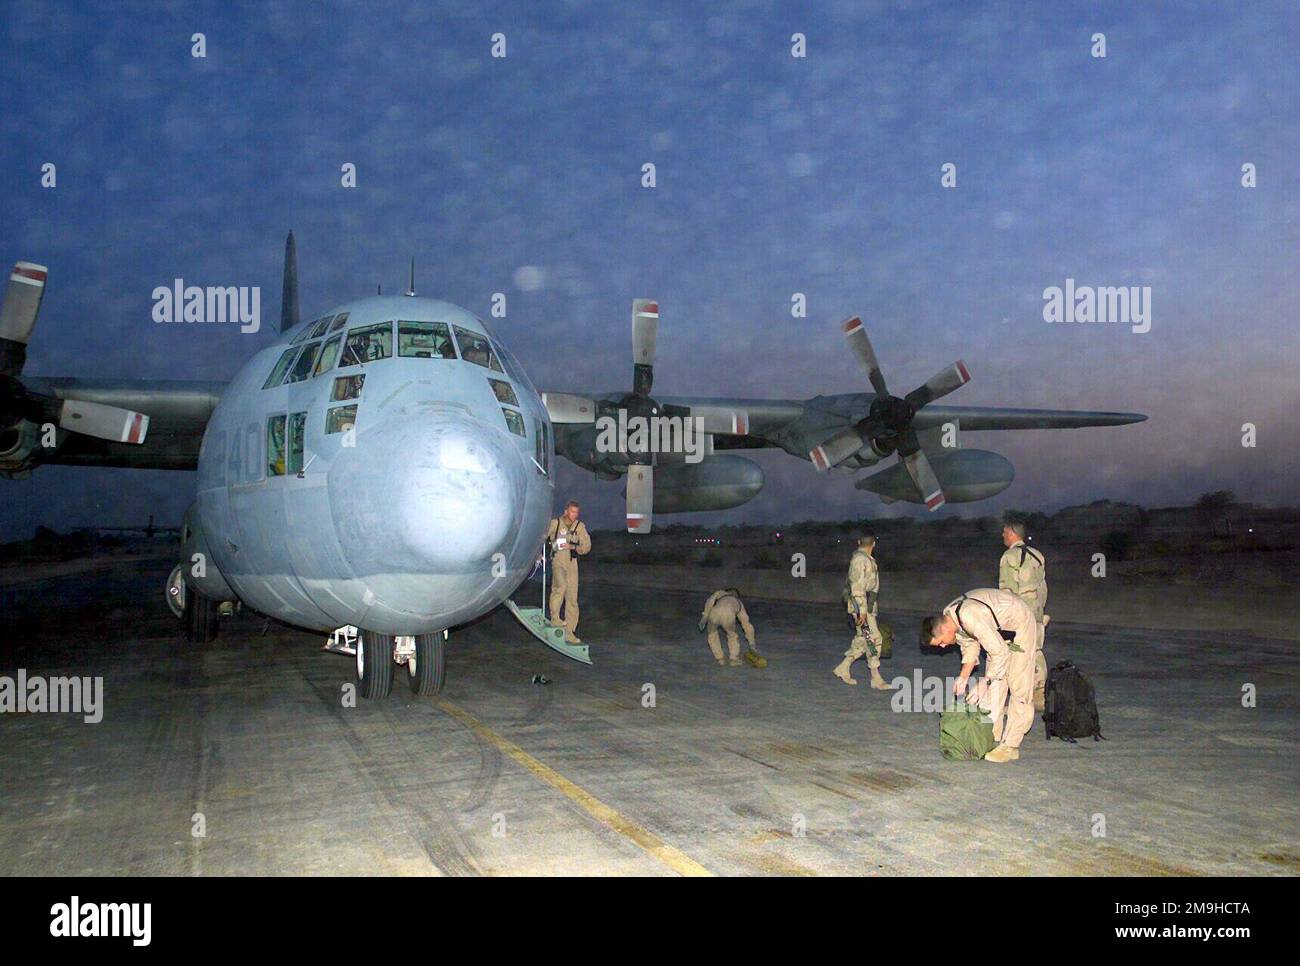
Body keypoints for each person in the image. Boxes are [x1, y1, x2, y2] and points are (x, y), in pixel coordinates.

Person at [921, 588, 1040, 763]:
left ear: (944, 629)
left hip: (1019, 626)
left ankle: (1011, 746)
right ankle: (991, 737)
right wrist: (963, 677)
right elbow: (969, 644)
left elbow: (999, 653)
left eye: (940, 643)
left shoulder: (969, 616)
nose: (943, 647)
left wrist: (985, 681)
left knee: (1018, 684)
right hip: (998, 633)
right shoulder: (951, 616)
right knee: (995, 686)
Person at [999, 520, 1049, 712]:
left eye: (1005, 532)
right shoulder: (1037, 556)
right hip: (1036, 613)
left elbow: (1007, 592)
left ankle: (1019, 698)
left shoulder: (1009, 557)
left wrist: (1005, 621)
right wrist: (1040, 610)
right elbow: (1043, 587)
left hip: (1019, 617)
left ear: (1012, 533)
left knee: (1016, 653)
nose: (1003, 535)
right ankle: (1040, 693)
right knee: (1036, 652)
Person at [833, 534, 891, 690]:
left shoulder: (865, 559)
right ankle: (875, 677)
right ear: (874, 544)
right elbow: (857, 588)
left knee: (863, 639)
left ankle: (843, 667)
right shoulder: (861, 560)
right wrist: (862, 611)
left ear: (859, 542)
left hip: (865, 607)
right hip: (861, 608)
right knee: (874, 639)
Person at [547, 501, 591, 644]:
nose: (574, 515)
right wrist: (538, 553)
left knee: (572, 598)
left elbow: (586, 546)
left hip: (572, 564)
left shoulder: (580, 526)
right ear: (566, 511)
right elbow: (541, 537)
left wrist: (572, 546)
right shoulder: (555, 524)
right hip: (558, 561)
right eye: (572, 511)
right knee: (560, 586)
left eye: (576, 512)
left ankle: (569, 632)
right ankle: (555, 618)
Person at [698, 588, 758, 666]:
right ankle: (733, 658)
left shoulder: (720, 593)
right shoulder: (739, 603)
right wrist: (752, 643)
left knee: (712, 634)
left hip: (715, 612)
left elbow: (710, 601)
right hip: (729, 615)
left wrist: (705, 617)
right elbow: (747, 625)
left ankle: (720, 659)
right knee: (732, 635)